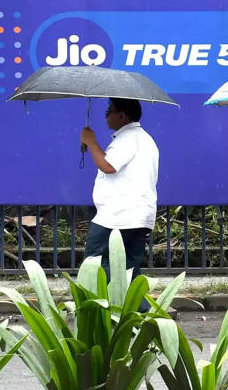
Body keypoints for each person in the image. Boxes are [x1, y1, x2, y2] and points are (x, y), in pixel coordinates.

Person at [80, 98, 158, 308]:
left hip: (117, 217)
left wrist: (91, 142)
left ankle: (97, 313)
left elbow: (108, 166)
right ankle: (141, 317)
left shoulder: (128, 139)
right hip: (137, 216)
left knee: (95, 264)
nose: (106, 116)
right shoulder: (144, 139)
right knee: (129, 271)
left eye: (109, 111)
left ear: (122, 115)